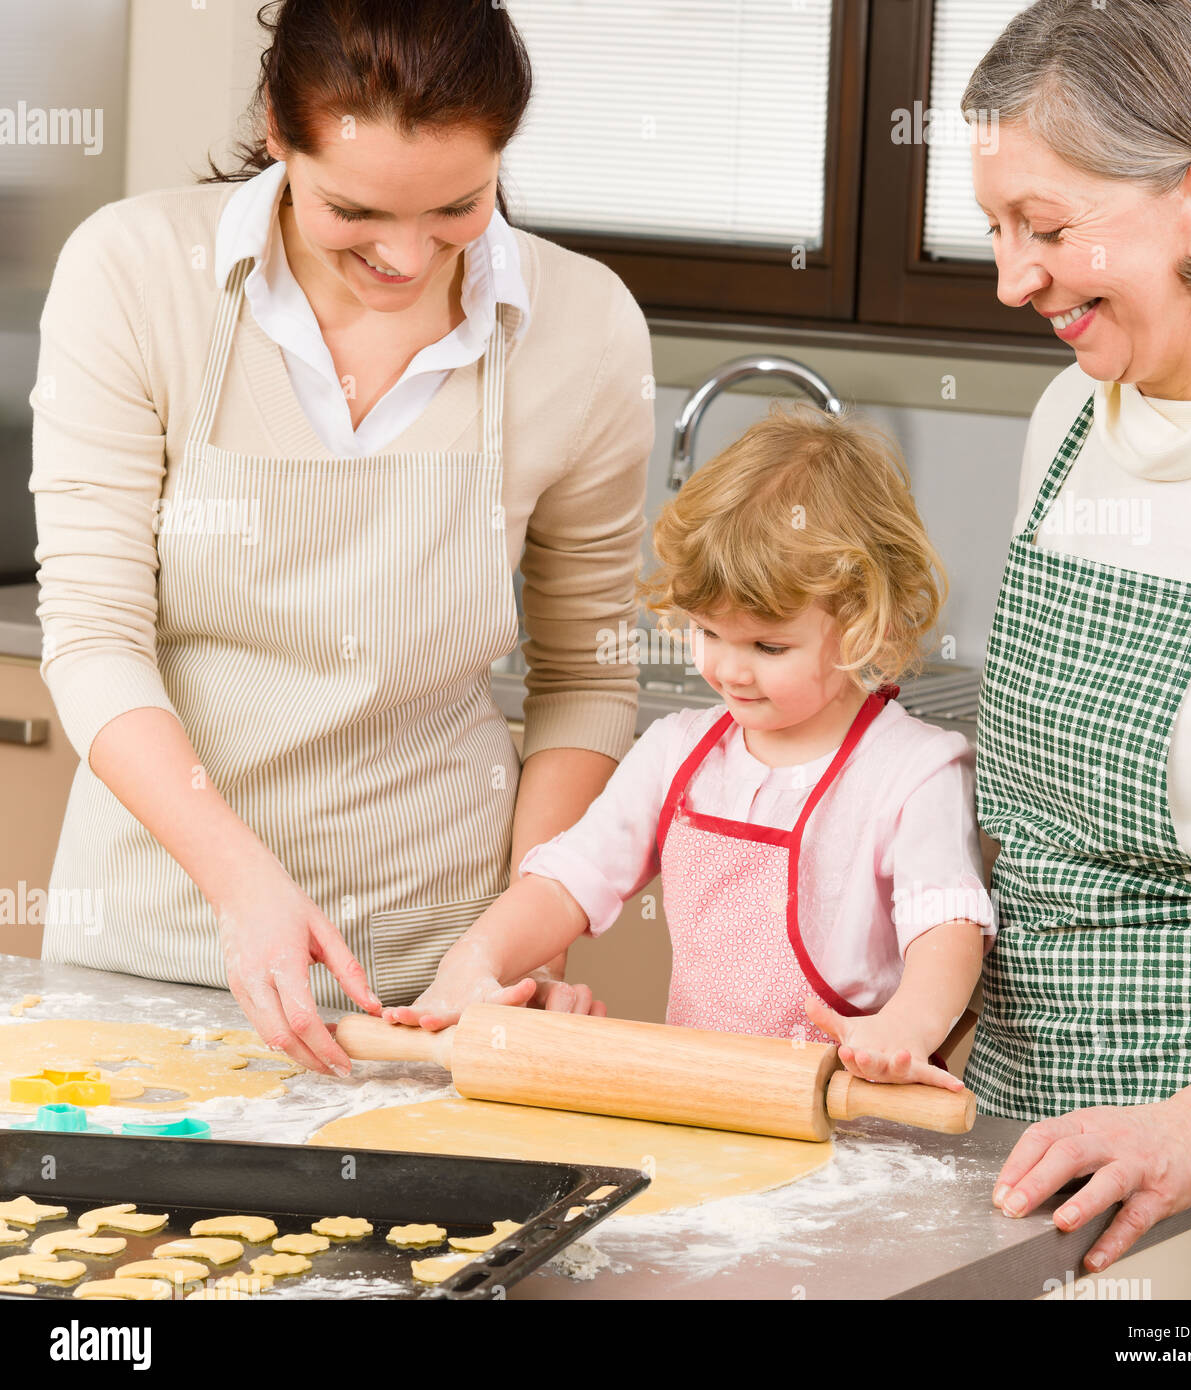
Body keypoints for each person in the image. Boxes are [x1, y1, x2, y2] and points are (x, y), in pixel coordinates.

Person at [28, 0, 652, 1076]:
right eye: (355, 211)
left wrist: (508, 938)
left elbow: (587, 674)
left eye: (458, 206)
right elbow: (93, 638)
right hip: (149, 954)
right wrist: (242, 885)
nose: (407, 257)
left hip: (434, 985)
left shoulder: (584, 326)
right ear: (277, 130)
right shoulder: (136, 274)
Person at [963, 0, 1191, 1297]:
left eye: (1046, 230)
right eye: (995, 231)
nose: (1011, 280)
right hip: (1030, 1137)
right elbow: (1039, 832)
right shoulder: (1065, 419)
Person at [387, 403, 992, 1089]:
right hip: (705, 1099)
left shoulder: (913, 771)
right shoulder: (679, 752)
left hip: (856, 1116)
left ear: (865, 624)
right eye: (709, 633)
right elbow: (568, 882)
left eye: (767, 645)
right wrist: (474, 960)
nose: (729, 670)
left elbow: (946, 925)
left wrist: (906, 1029)